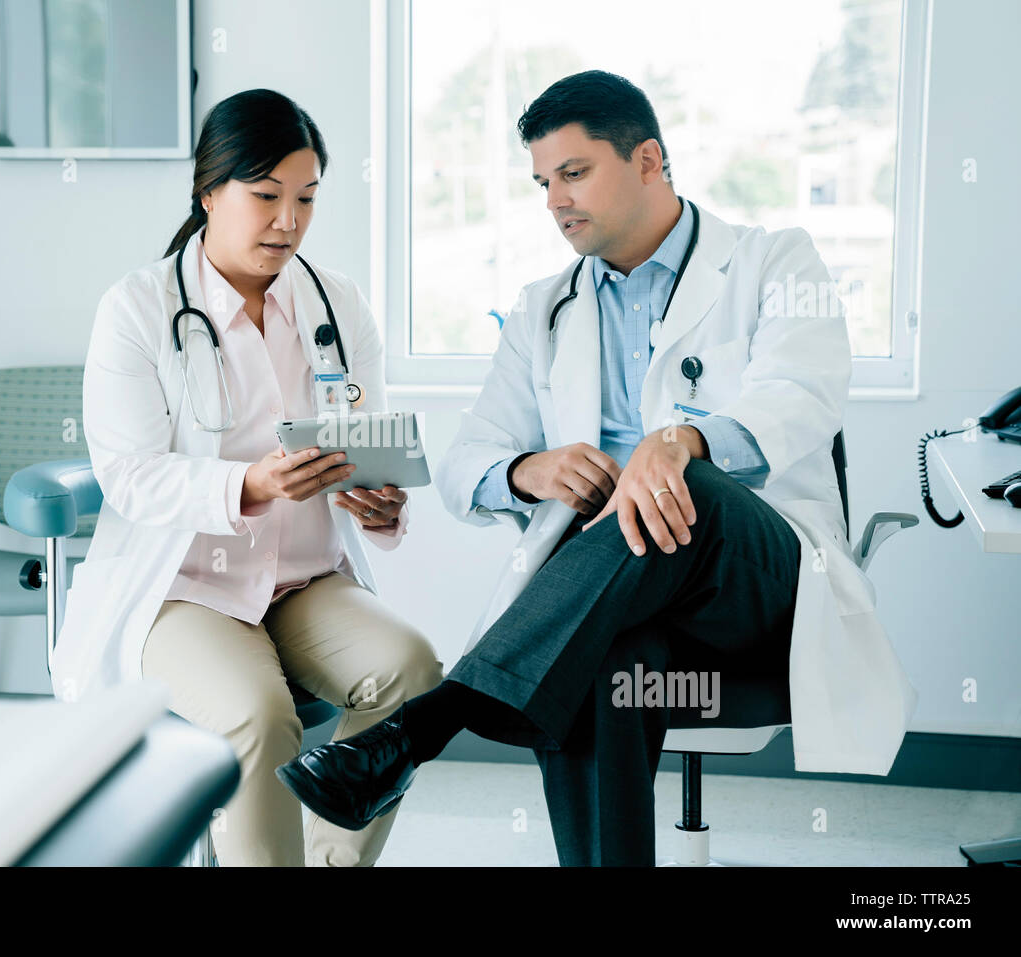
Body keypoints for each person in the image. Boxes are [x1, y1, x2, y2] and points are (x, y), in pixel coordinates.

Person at [276, 70, 916, 866]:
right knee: (610, 668)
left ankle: (424, 725)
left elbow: (801, 394)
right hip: (621, 610)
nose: (554, 201)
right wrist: (527, 470)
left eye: (573, 173)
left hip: (757, 588)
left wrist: (684, 443)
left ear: (648, 160)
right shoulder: (544, 307)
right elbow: (465, 461)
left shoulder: (773, 262)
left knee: (685, 489)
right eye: (544, 182)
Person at [52, 89, 444, 866]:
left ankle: (330, 860)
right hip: (184, 585)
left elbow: (359, 445)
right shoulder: (137, 308)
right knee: (260, 713)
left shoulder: (339, 304)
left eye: (306, 199)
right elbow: (130, 477)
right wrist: (249, 485)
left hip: (302, 582)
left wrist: (376, 503)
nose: (288, 221)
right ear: (209, 192)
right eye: (266, 196)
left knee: (413, 671)